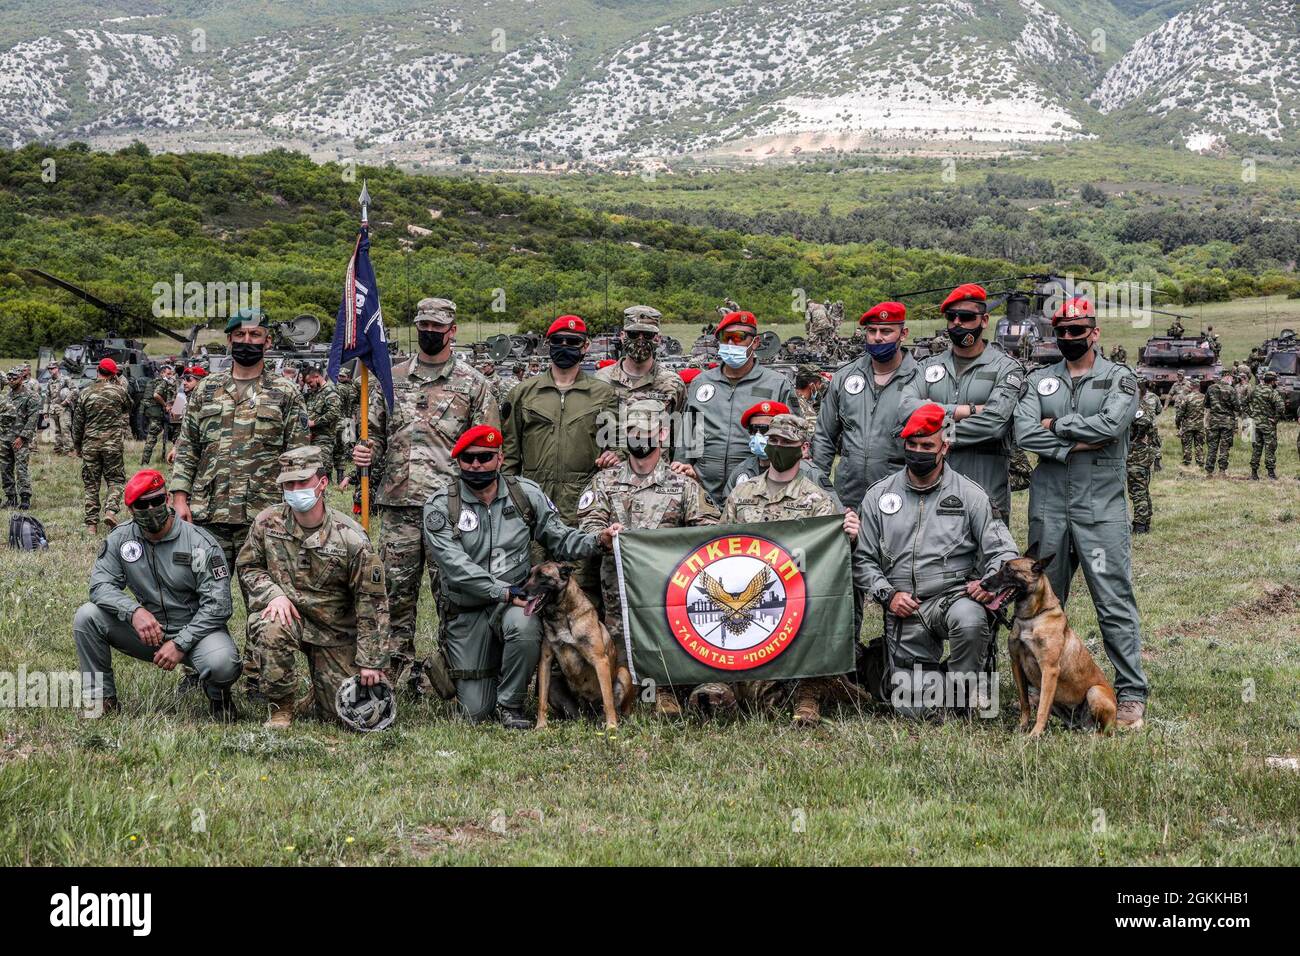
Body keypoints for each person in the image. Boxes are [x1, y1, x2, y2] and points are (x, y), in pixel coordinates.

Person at [423, 425, 621, 728]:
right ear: (459, 462)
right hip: (467, 610)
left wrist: (597, 541)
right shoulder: (441, 505)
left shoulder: (524, 494)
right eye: (468, 459)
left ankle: (511, 704)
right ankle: (477, 667)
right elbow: (454, 566)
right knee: (475, 713)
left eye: (484, 457)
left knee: (526, 623)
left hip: (513, 606)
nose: (476, 465)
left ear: (500, 458)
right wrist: (502, 590)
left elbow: (560, 538)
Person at [1014, 296, 1147, 730]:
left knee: (1113, 600)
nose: (1069, 337)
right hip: (1049, 505)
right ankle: (1045, 695)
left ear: (1095, 332)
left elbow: (1112, 426)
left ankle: (1129, 694)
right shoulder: (1039, 380)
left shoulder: (1119, 379)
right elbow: (1024, 433)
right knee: (1045, 602)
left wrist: (1057, 426)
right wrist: (1075, 438)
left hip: (1100, 509)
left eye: (1078, 330)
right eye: (1063, 331)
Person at [352, 296, 498, 689]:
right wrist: (365, 451)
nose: (430, 333)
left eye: (438, 327)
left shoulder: (474, 384)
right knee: (394, 595)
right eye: (424, 326)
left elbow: (490, 446)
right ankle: (394, 676)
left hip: (451, 508)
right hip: (398, 505)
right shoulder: (390, 377)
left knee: (453, 595)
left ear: (452, 330)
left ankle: (453, 676)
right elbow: (375, 435)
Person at [170, 308, 308, 691]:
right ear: (229, 340)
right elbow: (187, 450)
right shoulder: (206, 390)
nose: (248, 342)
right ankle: (199, 670)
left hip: (265, 519)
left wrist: (297, 508)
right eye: (241, 335)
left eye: (256, 335)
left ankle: (256, 674)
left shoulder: (285, 393)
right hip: (209, 514)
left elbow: (298, 457)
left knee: (265, 600)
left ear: (267, 341)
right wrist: (180, 498)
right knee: (201, 596)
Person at [855, 403, 1018, 715]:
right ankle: (933, 686)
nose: (918, 452)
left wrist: (988, 583)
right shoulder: (878, 495)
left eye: (927, 445)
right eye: (912, 445)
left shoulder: (971, 495)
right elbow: (863, 559)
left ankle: (968, 693)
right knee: (916, 712)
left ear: (945, 446)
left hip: (954, 598)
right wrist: (888, 596)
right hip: (905, 606)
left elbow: (1004, 551)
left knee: (970, 621)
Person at [577, 400, 721, 716]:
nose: (638, 437)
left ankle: (668, 692)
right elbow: (588, 525)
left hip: (670, 600)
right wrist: (603, 535)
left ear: (662, 433)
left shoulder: (682, 485)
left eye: (645, 431)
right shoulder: (605, 481)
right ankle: (641, 694)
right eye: (631, 430)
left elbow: (710, 534)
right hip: (620, 603)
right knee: (618, 682)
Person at [236, 447, 389, 729]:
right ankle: (280, 708)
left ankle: (317, 694)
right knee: (270, 626)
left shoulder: (351, 538)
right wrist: (274, 594)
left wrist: (371, 661)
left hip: (334, 630)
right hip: (289, 617)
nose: (294, 490)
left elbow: (372, 602)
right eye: (288, 484)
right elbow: (248, 566)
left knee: (346, 716)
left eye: (301, 483)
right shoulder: (267, 522)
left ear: (322, 483)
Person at [722, 413, 860, 726]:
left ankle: (808, 692)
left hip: (797, 595)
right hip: (748, 594)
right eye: (773, 441)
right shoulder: (741, 496)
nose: (779, 447)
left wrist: (849, 537)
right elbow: (721, 547)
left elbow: (829, 555)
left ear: (804, 448)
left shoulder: (817, 500)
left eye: (787, 442)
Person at [73, 469, 240, 720]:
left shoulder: (200, 542)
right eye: (142, 504)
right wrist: (133, 611)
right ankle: (101, 699)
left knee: (223, 663)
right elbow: (100, 585)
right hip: (149, 631)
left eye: (157, 500)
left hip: (196, 632)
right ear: (131, 510)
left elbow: (219, 605)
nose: (151, 508)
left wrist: (181, 643)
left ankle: (219, 699)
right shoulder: (121, 539)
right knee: (87, 616)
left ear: (168, 499)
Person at [900, 284, 1027, 522]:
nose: (957, 323)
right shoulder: (928, 367)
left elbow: (994, 424)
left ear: (985, 320)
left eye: (966, 317)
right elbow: (906, 409)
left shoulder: (1006, 368)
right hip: (931, 489)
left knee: (986, 557)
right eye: (952, 317)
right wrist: (964, 410)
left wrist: (932, 431)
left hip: (985, 490)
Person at [676, 310, 796, 504]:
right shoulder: (701, 382)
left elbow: (794, 437)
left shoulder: (777, 384)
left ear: (755, 343)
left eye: (739, 337)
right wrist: (683, 467)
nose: (731, 344)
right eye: (726, 337)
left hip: (756, 491)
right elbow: (689, 435)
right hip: (701, 487)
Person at [813, 301, 919, 513]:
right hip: (848, 496)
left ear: (903, 333)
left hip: (899, 496)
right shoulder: (845, 377)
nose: (878, 337)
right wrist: (819, 486)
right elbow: (824, 436)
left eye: (886, 331)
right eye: (872, 331)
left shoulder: (920, 379)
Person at [722, 400, 837, 501]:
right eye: (753, 429)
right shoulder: (742, 470)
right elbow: (726, 512)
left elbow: (833, 515)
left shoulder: (809, 473)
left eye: (765, 429)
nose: (758, 435)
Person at [595, 305, 686, 424]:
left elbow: (681, 432)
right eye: (633, 334)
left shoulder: (673, 383)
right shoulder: (602, 380)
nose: (640, 339)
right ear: (622, 336)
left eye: (648, 335)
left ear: (657, 339)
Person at [72, 358, 131, 530]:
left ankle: (91, 525)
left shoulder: (85, 392)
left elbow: (78, 423)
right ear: (114, 374)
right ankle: (110, 512)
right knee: (115, 480)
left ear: (97, 370)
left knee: (91, 483)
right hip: (112, 444)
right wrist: (118, 385)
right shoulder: (119, 392)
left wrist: (77, 445)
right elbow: (128, 408)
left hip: (90, 444)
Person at [0, 367, 40, 510]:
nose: (11, 380)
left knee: (21, 468)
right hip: (4, 438)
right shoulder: (7, 396)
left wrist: (22, 437)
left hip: (19, 439)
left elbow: (33, 419)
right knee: (5, 469)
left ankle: (24, 498)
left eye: (14, 378)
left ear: (21, 378)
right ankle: (10, 498)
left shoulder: (31, 396)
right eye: (9, 378)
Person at [1126, 380, 1161, 533]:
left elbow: (1144, 423)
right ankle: (1145, 521)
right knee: (1143, 489)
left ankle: (1140, 525)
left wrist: (1137, 437)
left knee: (1137, 489)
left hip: (1137, 454)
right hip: (1142, 453)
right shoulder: (1143, 405)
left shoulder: (1138, 407)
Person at [1246, 369, 1286, 480]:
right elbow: (1281, 407)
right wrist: (1276, 419)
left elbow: (1244, 403)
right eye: (1276, 381)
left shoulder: (1255, 390)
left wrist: (1252, 414)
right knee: (1270, 448)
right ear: (1272, 381)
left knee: (1256, 448)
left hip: (1256, 424)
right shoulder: (1272, 392)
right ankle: (1271, 474)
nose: (1276, 383)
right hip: (1268, 425)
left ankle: (1254, 474)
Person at [302, 365, 342, 464]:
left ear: (316, 377)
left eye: (310, 382)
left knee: (322, 468)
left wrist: (314, 423)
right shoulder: (315, 392)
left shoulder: (330, 390)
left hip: (324, 438)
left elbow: (334, 413)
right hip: (312, 437)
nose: (309, 386)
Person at [1203, 370, 1239, 478]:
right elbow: (1237, 406)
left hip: (1214, 421)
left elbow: (1206, 404)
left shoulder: (1211, 388)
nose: (1232, 380)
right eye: (1232, 378)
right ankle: (1222, 471)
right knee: (1224, 447)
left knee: (1212, 446)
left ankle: (1209, 472)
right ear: (1227, 377)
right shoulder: (1231, 389)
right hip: (1227, 422)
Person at [140, 365, 177, 465]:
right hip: (157, 414)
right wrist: (165, 405)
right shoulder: (163, 383)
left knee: (151, 438)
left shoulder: (156, 382)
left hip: (153, 412)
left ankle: (145, 462)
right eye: (168, 374)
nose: (170, 376)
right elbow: (156, 395)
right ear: (162, 373)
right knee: (152, 437)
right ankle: (145, 462)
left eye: (172, 374)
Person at [1175, 379, 1207, 467]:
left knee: (1186, 445)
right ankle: (1200, 462)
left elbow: (1180, 413)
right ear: (1199, 386)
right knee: (1199, 444)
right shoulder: (1204, 397)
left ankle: (1186, 462)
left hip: (1188, 425)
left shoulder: (1186, 398)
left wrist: (1177, 424)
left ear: (1191, 386)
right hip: (1200, 425)